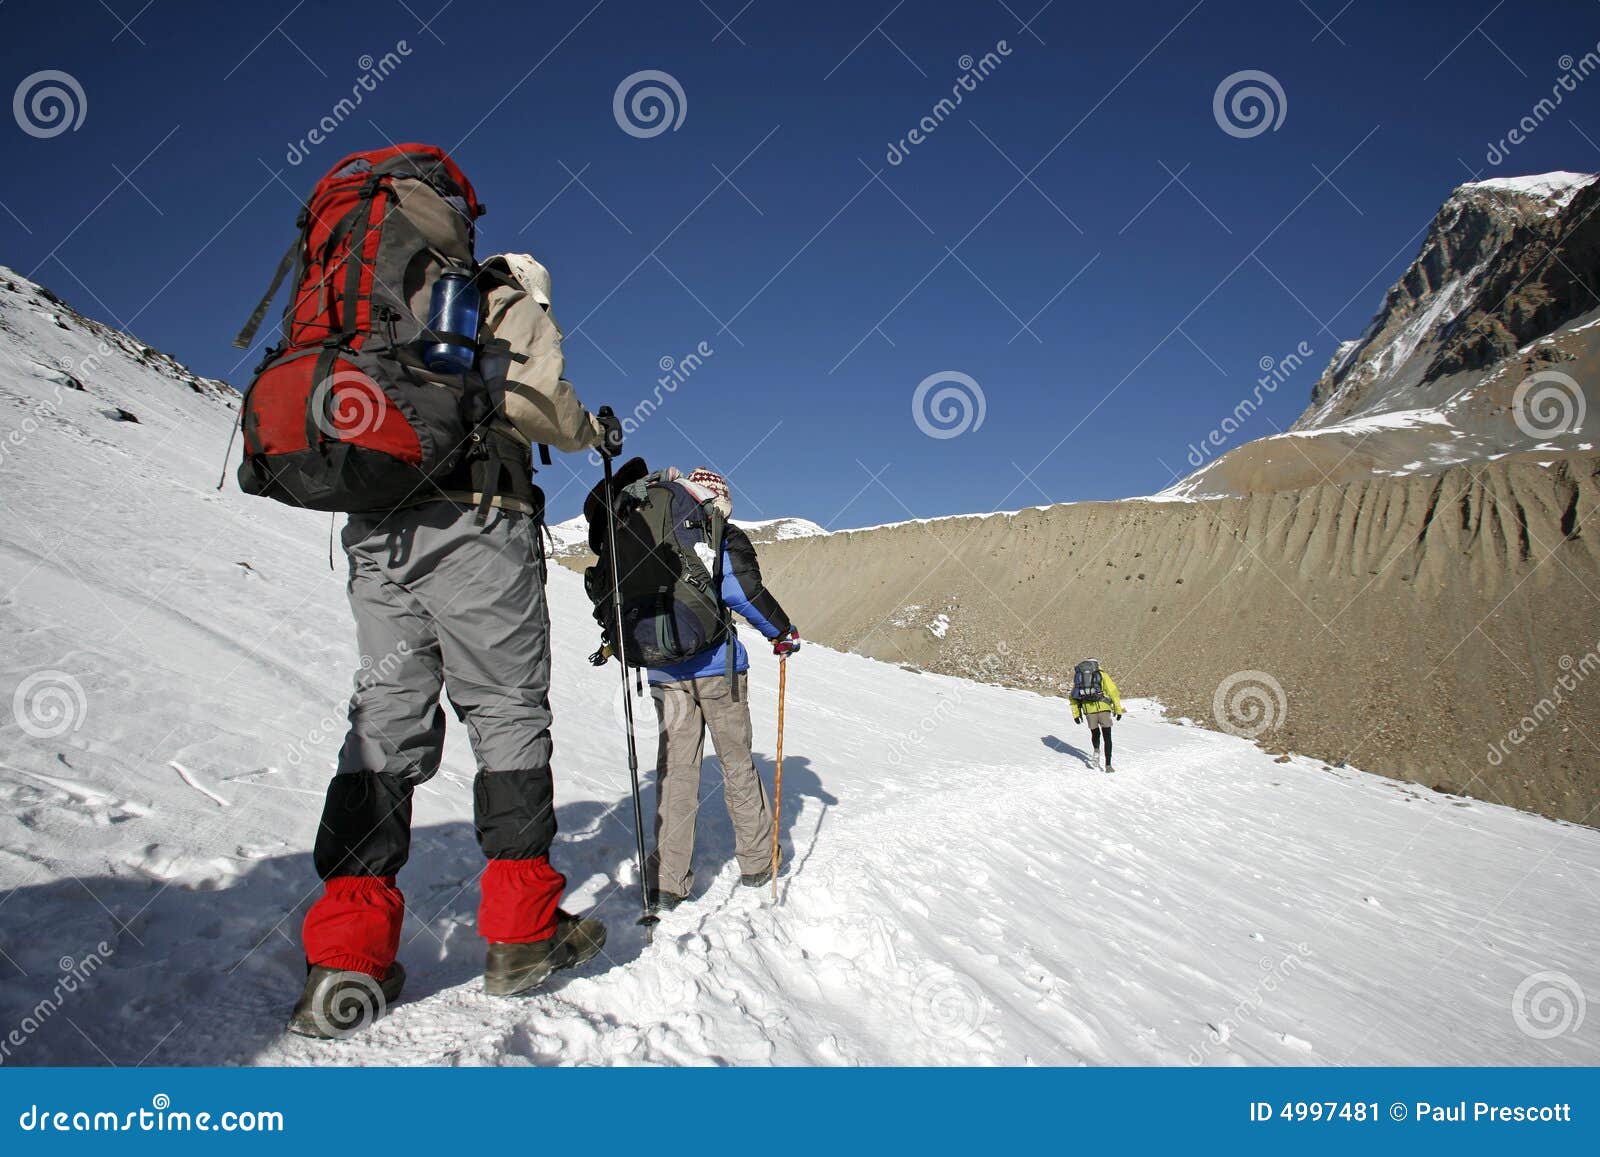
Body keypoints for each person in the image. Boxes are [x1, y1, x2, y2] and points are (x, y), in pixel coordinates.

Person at [290, 252, 625, 1037]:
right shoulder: (496, 298)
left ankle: (347, 957)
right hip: (475, 519)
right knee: (506, 707)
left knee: (384, 717)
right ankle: (521, 932)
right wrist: (589, 428)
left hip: (376, 529)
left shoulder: (374, 307)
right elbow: (538, 401)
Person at [645, 467, 800, 911]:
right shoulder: (716, 532)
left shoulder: (649, 527)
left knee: (677, 773)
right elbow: (742, 592)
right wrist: (782, 632)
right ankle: (756, 862)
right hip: (719, 669)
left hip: (664, 672)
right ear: (718, 498)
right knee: (736, 764)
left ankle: (669, 882)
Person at [1070, 660, 1122, 772]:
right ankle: (1108, 765)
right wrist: (1118, 709)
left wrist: (1076, 714)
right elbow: (1113, 691)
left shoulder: (1079, 676)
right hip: (1104, 707)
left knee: (1095, 733)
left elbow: (1073, 696)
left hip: (1088, 709)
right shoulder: (1101, 674)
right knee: (1107, 736)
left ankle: (1096, 749)